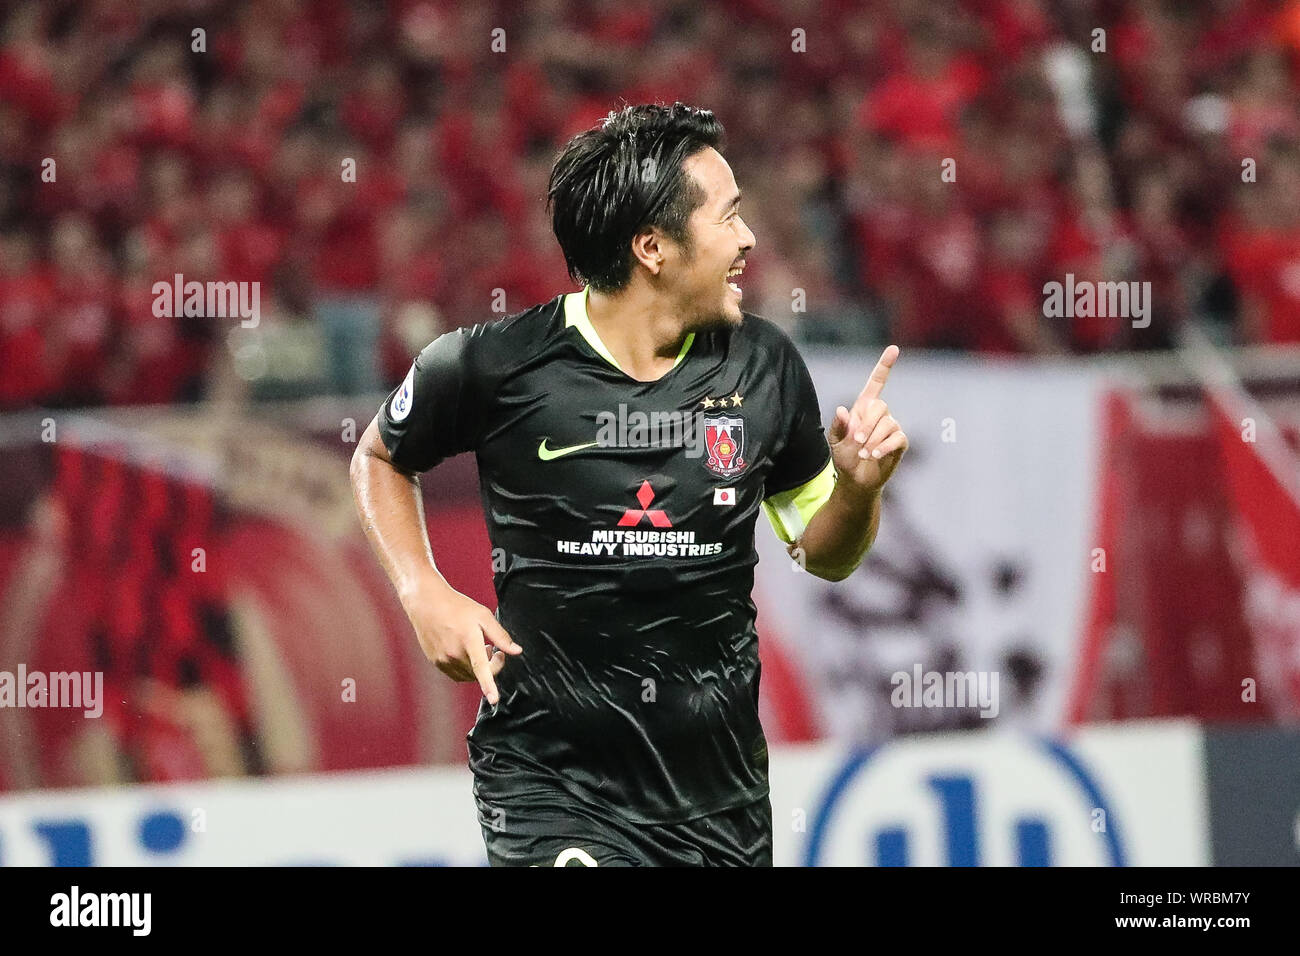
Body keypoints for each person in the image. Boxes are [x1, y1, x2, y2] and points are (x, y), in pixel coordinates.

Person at [349, 103, 908, 866]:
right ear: (653, 247)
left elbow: (827, 556)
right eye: (729, 218)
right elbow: (379, 457)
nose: (748, 240)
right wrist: (422, 589)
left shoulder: (764, 368)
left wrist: (857, 490)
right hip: (552, 783)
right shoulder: (493, 365)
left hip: (720, 801)